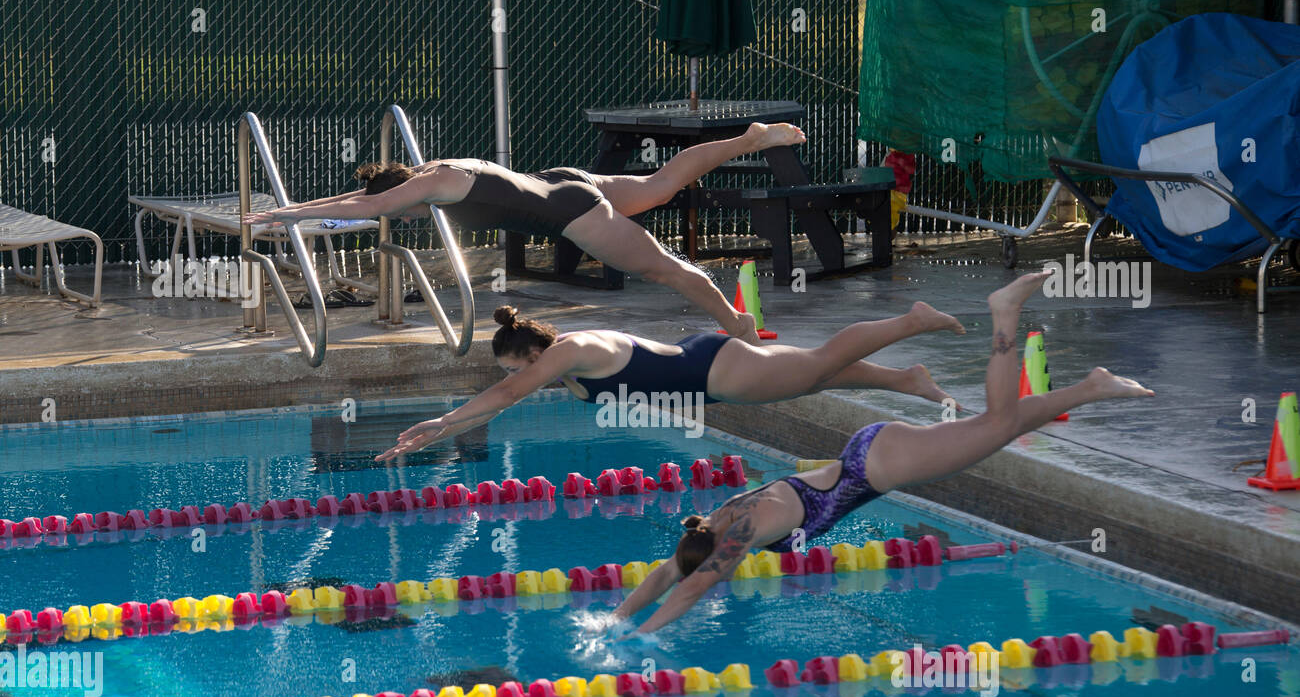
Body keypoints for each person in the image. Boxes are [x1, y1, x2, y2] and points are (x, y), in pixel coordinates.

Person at [610, 271, 1155, 636]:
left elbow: (694, 585)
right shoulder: (712, 524)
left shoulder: (744, 531)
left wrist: (642, 642)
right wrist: (617, 619)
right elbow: (671, 574)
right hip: (871, 455)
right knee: (997, 428)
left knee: (996, 421)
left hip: (879, 467)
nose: (716, 576)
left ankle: (1005, 311)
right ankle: (1090, 387)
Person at [243, 122, 817, 343]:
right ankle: (749, 139)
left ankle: (737, 325)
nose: (408, 214)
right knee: (663, 184)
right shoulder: (441, 167)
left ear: (406, 190)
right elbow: (359, 200)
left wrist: (286, 216)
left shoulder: (424, 187)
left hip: (568, 216)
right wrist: (291, 207)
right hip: (565, 181)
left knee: (663, 268)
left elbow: (368, 208)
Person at [374, 302, 965, 462]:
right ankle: (908, 379)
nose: (520, 380)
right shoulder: (569, 369)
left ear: (533, 351)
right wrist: (449, 426)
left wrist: (441, 421)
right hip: (708, 370)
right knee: (810, 378)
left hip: (714, 370)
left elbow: (503, 396)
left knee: (817, 365)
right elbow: (500, 405)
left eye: (518, 367)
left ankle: (907, 323)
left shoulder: (573, 349)